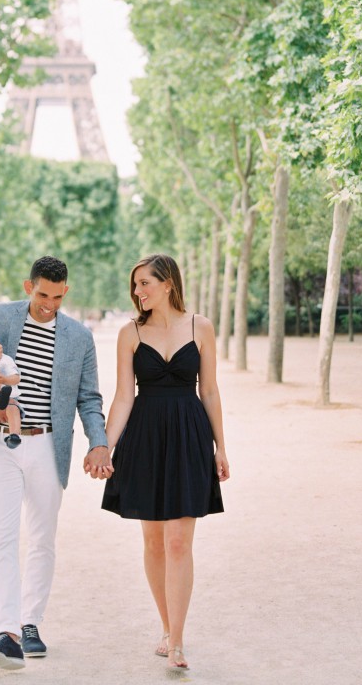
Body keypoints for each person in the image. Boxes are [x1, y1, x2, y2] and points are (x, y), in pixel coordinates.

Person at [0, 255, 112, 671]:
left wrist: (99, 443)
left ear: (66, 292)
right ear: (28, 287)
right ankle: (5, 634)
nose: (49, 305)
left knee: (42, 539)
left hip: (48, 446)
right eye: (42, 295)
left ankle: (30, 623)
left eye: (57, 297)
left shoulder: (79, 337)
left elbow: (89, 398)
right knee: (2, 537)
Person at [101, 254, 230, 672]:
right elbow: (124, 396)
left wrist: (221, 447)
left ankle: (177, 641)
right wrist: (104, 447)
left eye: (145, 283)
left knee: (179, 542)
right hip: (145, 437)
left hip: (189, 435)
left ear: (168, 283)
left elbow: (209, 391)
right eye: (135, 284)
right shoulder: (130, 333)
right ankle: (166, 625)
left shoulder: (200, 326)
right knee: (154, 542)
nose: (138, 291)